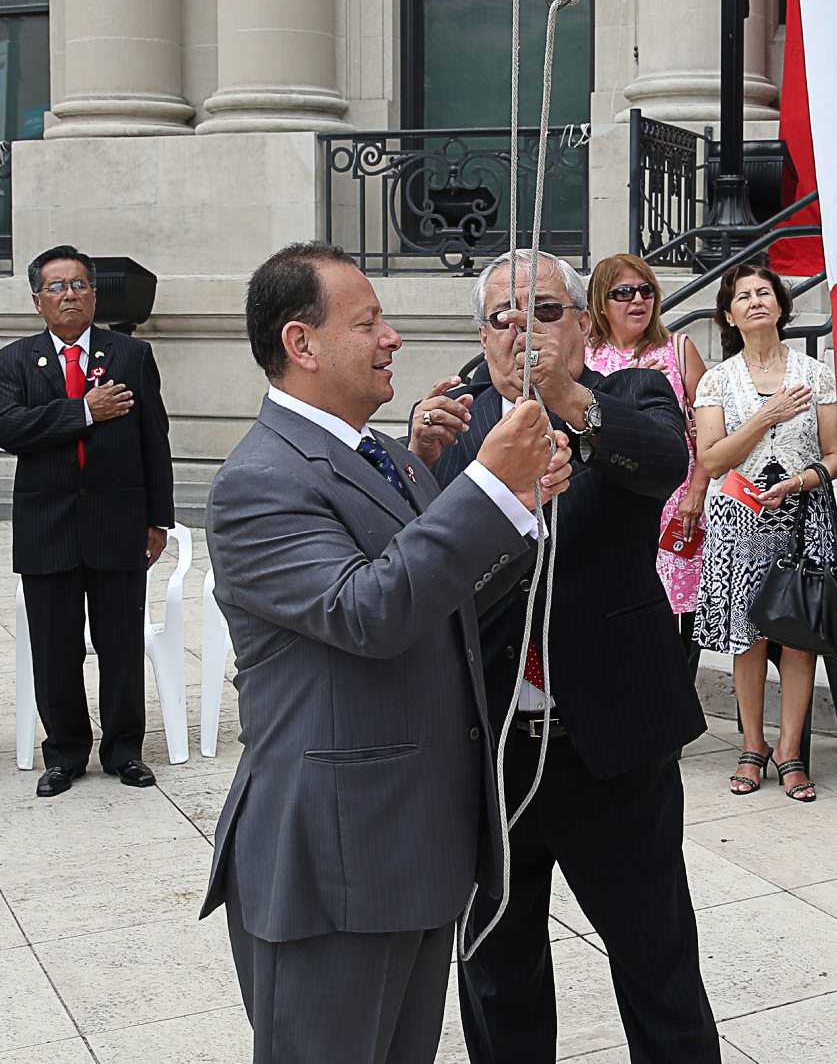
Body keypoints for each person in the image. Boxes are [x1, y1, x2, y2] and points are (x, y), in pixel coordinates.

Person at [199, 241, 570, 1064]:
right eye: (368, 322)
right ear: (302, 344)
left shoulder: (392, 457)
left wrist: (519, 508)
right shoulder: (259, 480)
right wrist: (482, 490)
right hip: (334, 860)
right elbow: (364, 610)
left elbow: (435, 604)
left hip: (415, 844)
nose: (393, 338)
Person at [413, 248, 721, 1064]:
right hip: (493, 744)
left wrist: (565, 399)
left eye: (546, 313)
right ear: (479, 335)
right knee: (496, 967)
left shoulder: (632, 396)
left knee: (656, 960)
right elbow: (419, 558)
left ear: (583, 324)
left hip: (611, 740)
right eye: (504, 318)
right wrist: (418, 457)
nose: (525, 332)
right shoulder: (458, 415)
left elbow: (663, 463)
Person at [0, 245, 174, 798]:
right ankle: (65, 752)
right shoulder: (13, 361)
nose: (68, 295)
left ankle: (124, 750)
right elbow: (10, 429)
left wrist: (157, 519)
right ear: (36, 301)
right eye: (56, 287)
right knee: (54, 647)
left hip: (117, 521)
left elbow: (153, 440)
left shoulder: (130, 355)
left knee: (120, 643)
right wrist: (85, 411)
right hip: (47, 524)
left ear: (94, 294)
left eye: (78, 285)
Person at [692, 262, 837, 804]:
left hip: (802, 519)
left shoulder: (815, 373)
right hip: (739, 522)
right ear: (729, 314)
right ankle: (752, 746)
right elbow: (710, 459)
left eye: (764, 293)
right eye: (742, 296)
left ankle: (791, 750)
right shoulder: (717, 379)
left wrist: (802, 481)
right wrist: (765, 416)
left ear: (779, 305)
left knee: (798, 638)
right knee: (747, 638)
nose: (755, 301)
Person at [583, 253, 707, 666]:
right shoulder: (585, 357)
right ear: (601, 302)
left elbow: (709, 431)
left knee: (680, 613)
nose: (637, 300)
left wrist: (697, 492)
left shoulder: (678, 349)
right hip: (612, 502)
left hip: (676, 503)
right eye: (623, 292)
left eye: (646, 290)